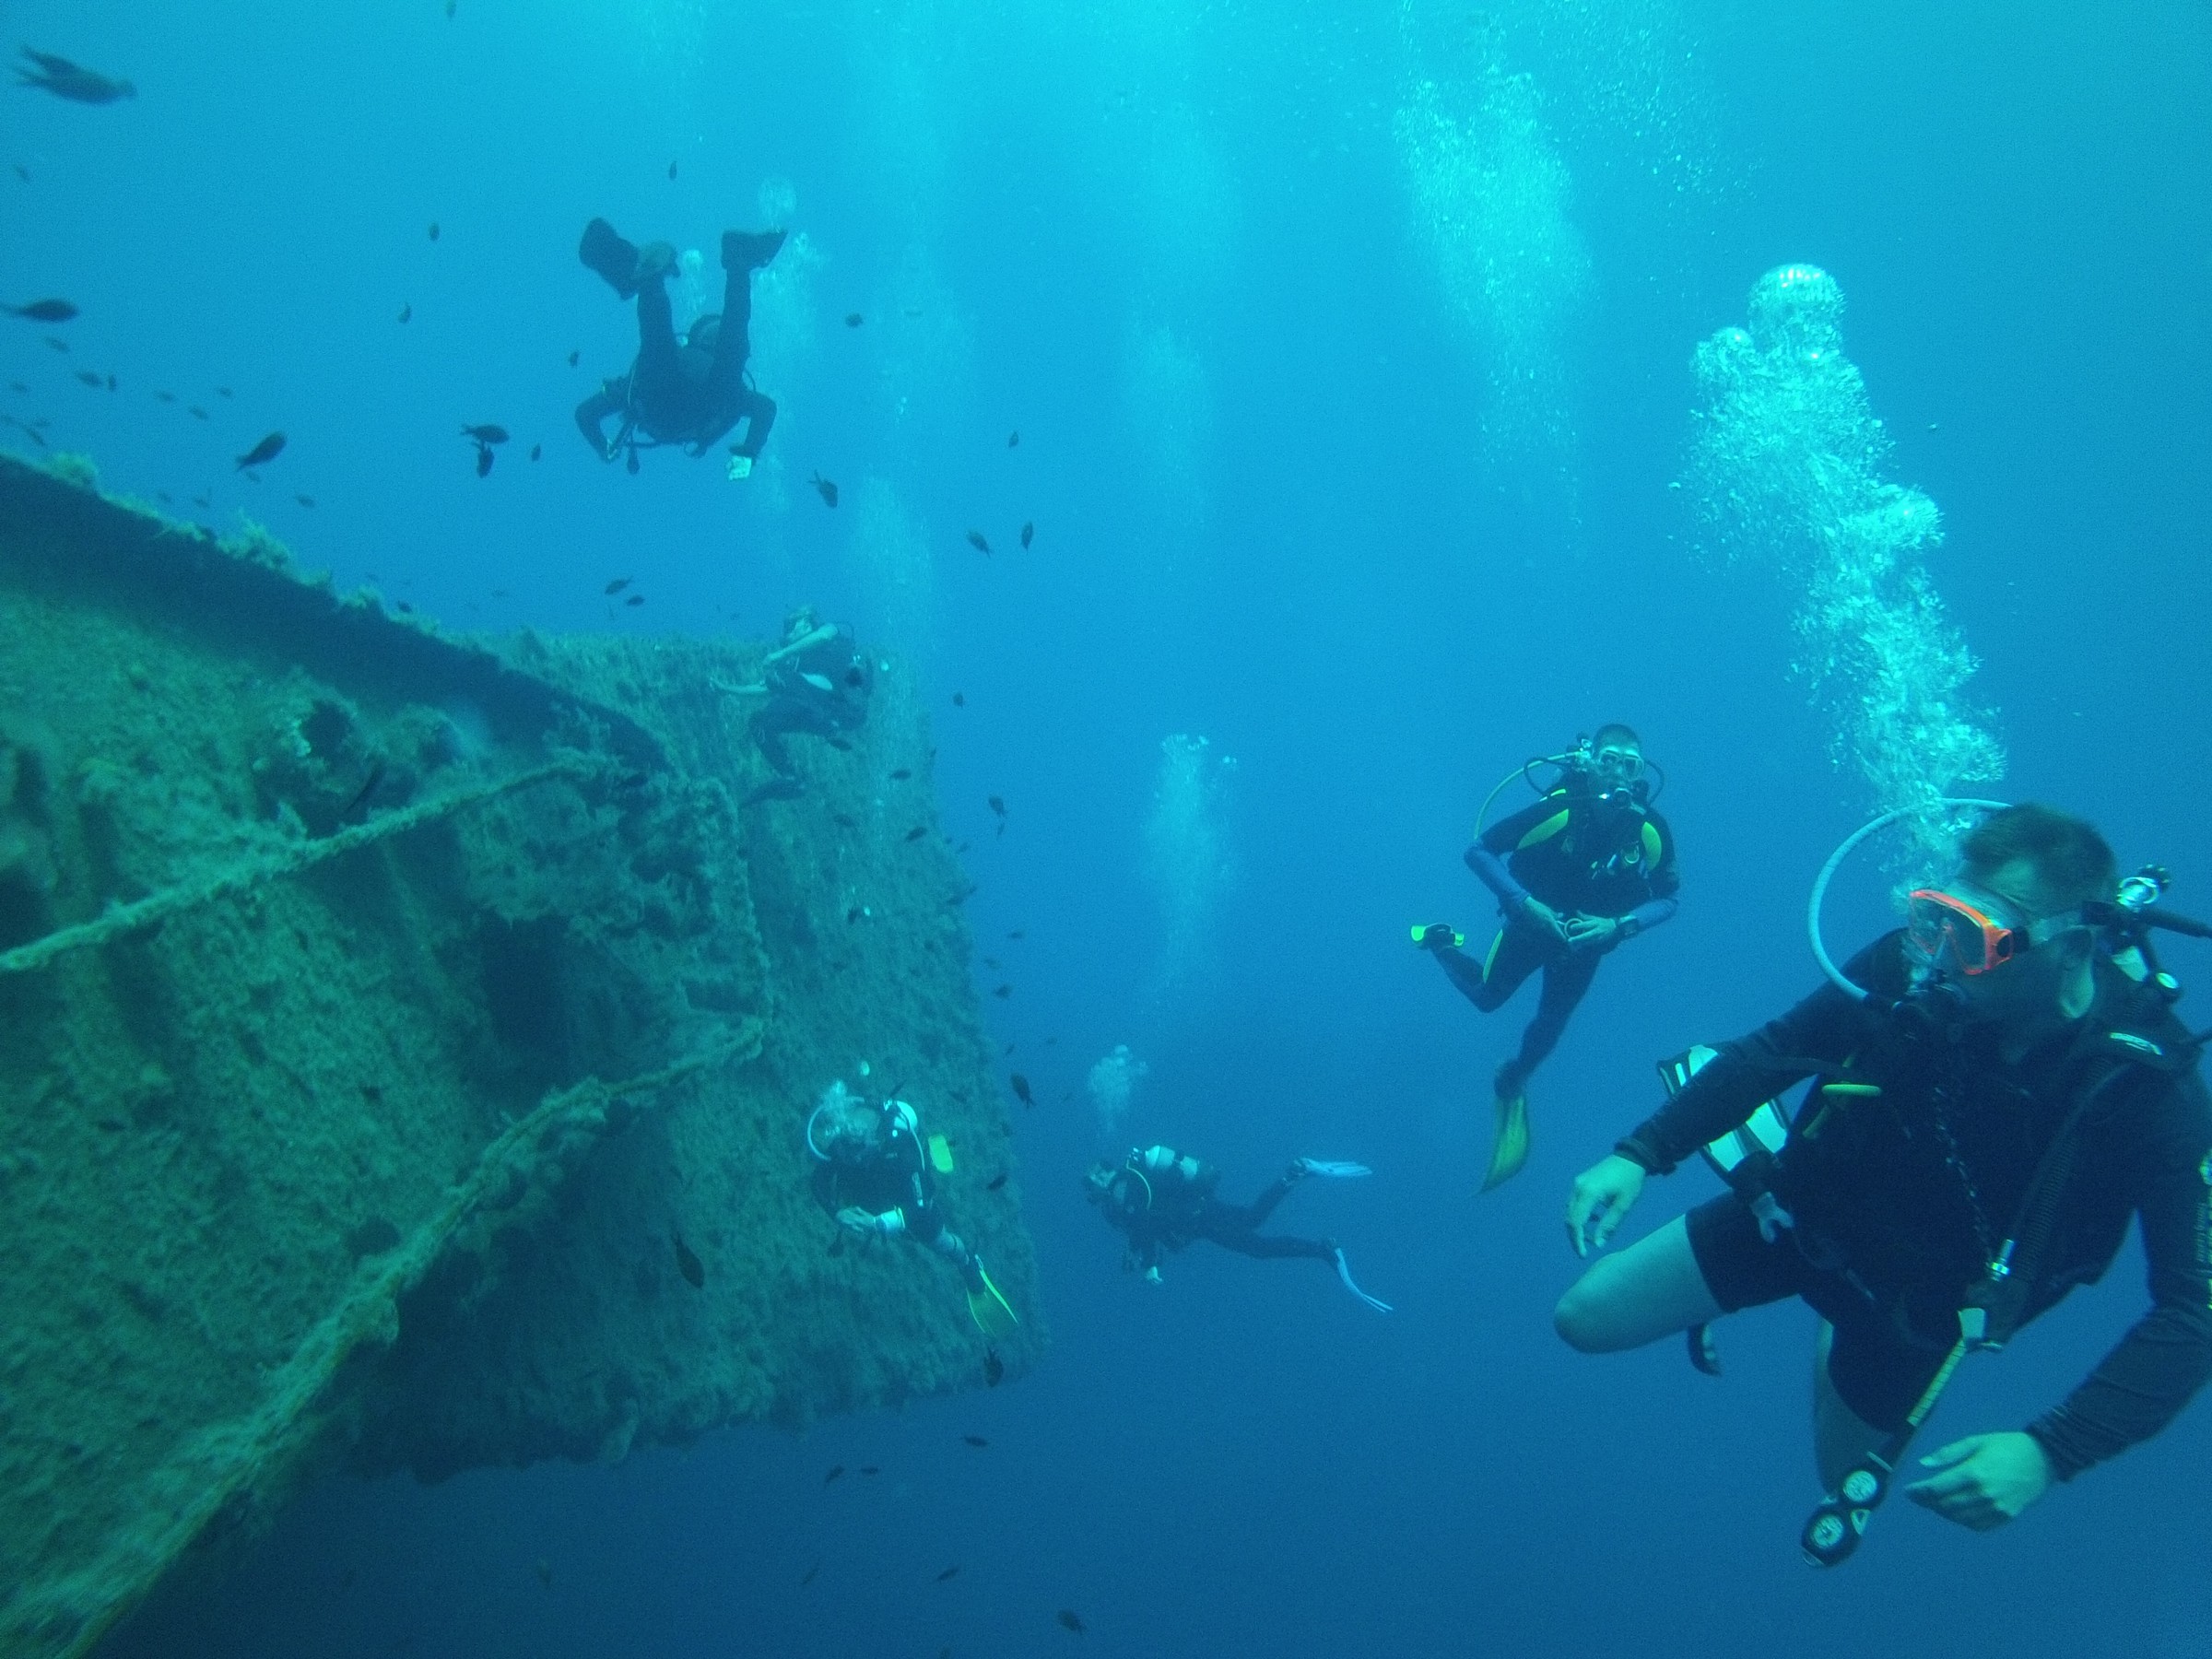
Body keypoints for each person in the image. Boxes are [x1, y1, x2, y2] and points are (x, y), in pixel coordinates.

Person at [1555, 804, 2212, 1543]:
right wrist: (1639, 1153)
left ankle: (1835, 1338)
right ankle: (1773, 1277)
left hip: (1916, 1312)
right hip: (1801, 1215)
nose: (1940, 952)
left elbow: (2197, 1309)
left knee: (1840, 1479)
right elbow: (1775, 1048)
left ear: (2070, 948)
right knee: (1583, 1319)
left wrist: (2050, 1451)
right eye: (1937, 917)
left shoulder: (2150, 1089)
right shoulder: (1910, 967)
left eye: (1978, 938)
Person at [1415, 724, 1678, 1190]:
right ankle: (1439, 942)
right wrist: (1522, 903)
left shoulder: (1648, 830)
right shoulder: (1560, 811)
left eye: (1630, 764)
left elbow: (1668, 899)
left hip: (1585, 943)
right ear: (1592, 761)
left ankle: (1512, 1079)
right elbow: (1478, 851)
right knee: (1487, 997)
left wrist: (1618, 926)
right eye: (1610, 759)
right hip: (1528, 929)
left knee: (1549, 1029)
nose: (1618, 771)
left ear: (1641, 772)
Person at [806, 1079, 1018, 1338]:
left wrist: (878, 1223)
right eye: (849, 1141)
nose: (852, 1150)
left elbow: (918, 1209)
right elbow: (818, 1180)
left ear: (878, 1137)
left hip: (906, 1205)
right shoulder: (843, 1141)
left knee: (933, 1236)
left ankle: (967, 1261)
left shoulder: (901, 1151)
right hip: (869, 1200)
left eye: (860, 1144)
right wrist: (835, 1212)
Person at [573, 217, 783, 474]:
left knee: (661, 350)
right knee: (719, 363)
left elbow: (585, 415)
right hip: (687, 398)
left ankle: (654, 278)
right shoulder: (730, 388)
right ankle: (733, 265)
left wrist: (604, 446)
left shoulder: (648, 380)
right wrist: (748, 456)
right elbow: (766, 409)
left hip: (658, 399)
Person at [1084, 1145, 1393, 1312]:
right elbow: (1143, 1225)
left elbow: (1145, 1224)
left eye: (1098, 1174)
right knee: (1252, 1220)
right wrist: (1135, 1253)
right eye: (1092, 1180)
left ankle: (1322, 1247)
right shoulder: (1122, 1194)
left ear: (1109, 1169)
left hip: (1197, 1217)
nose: (1096, 1182)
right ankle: (1296, 1176)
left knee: (1257, 1246)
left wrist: (1150, 1265)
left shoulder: (1124, 1187)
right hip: (1199, 1210)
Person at [721, 607, 872, 805]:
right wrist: (727, 689)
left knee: (785, 682)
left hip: (848, 710)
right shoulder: (794, 664)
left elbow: (823, 638)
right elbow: (764, 688)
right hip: (824, 718)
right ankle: (791, 778)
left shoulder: (831, 630)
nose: (787, 632)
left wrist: (780, 654)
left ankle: (821, 720)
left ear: (808, 623)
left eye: (792, 626)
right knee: (760, 722)